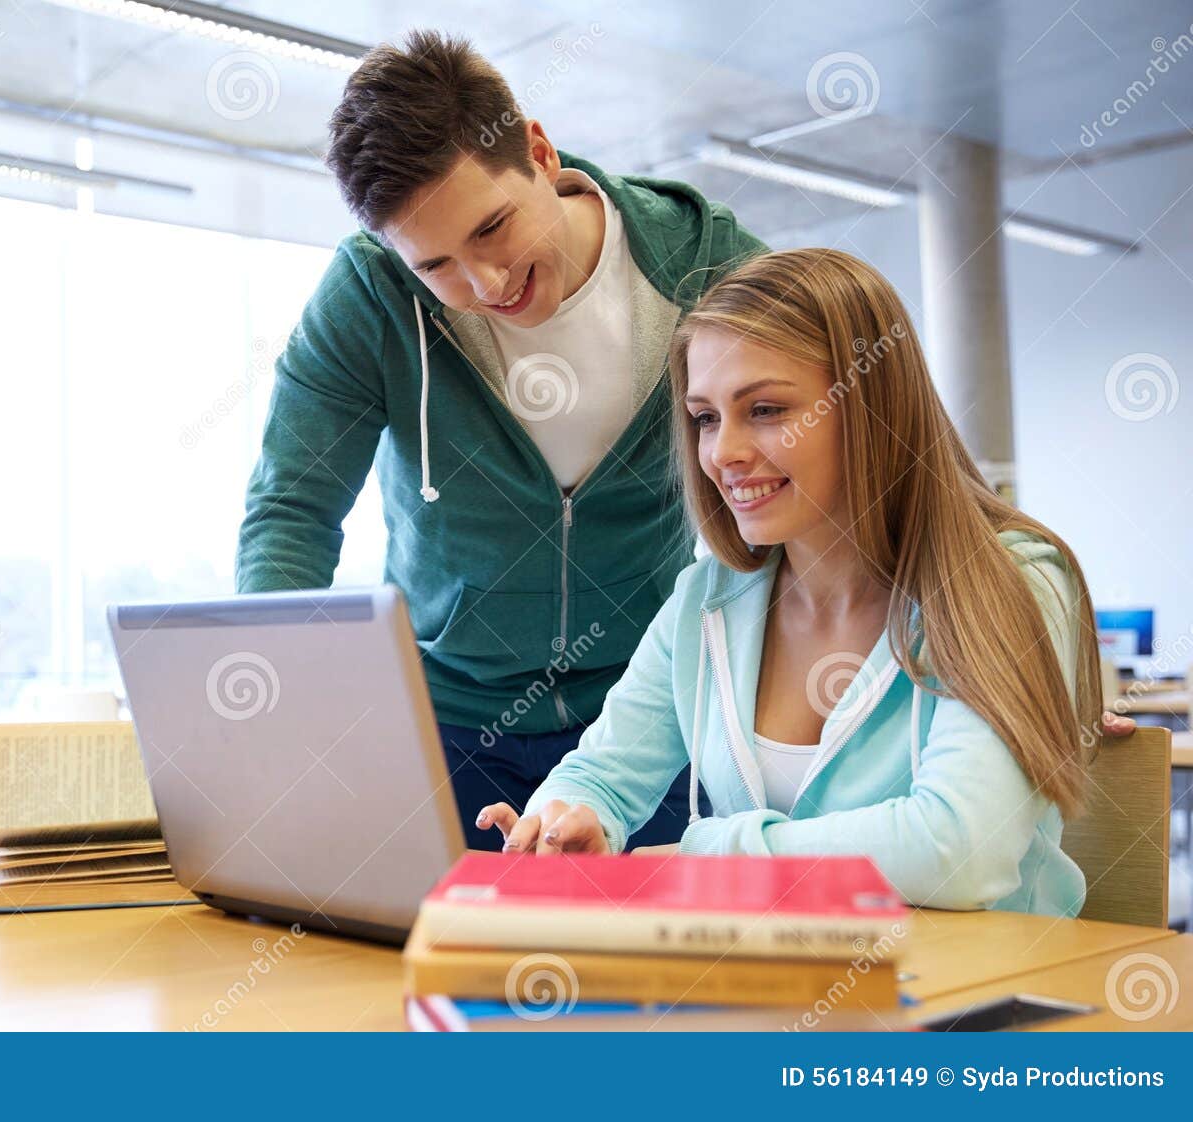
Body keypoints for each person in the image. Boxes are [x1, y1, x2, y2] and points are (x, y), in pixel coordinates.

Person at [236, 30, 767, 848]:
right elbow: (292, 513)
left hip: (643, 727)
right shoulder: (369, 297)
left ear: (540, 152)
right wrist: (273, 717)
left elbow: (835, 451)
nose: (486, 284)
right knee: (432, 965)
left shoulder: (707, 268)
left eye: (492, 228)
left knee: (648, 967)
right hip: (446, 731)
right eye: (437, 264)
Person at [480, 248, 1112, 916]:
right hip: (776, 994)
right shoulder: (707, 599)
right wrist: (564, 819)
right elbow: (599, 774)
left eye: (767, 410)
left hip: (978, 1004)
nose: (722, 452)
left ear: (871, 409)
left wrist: (712, 852)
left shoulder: (1010, 580)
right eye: (705, 417)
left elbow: (958, 852)